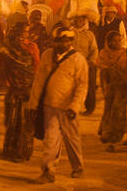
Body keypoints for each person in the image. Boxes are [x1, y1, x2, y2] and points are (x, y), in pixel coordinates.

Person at [30, 28, 89, 181]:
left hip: (68, 108)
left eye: (66, 41)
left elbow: (82, 86)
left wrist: (75, 106)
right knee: (51, 140)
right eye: (59, 41)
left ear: (71, 42)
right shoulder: (47, 55)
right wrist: (33, 103)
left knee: (72, 139)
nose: (62, 44)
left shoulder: (78, 59)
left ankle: (78, 166)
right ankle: (48, 171)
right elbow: (39, 80)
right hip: (49, 105)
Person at [0, 18, 41, 161]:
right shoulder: (7, 48)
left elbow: (37, 67)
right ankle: (11, 151)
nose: (24, 34)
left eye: (26, 32)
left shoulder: (32, 47)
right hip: (14, 90)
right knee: (12, 122)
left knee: (25, 123)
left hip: (27, 90)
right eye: (22, 32)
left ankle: (22, 152)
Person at [95, 31, 127, 149]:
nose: (118, 43)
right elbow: (103, 73)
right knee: (112, 110)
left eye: (119, 40)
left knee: (117, 110)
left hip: (125, 87)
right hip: (111, 87)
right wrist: (104, 89)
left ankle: (113, 140)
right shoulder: (103, 54)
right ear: (109, 42)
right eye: (114, 40)